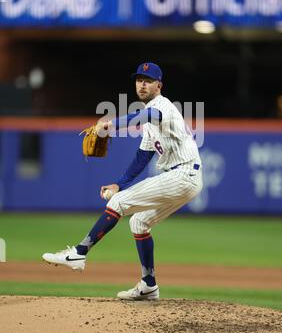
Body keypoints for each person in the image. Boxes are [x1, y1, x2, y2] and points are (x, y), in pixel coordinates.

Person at [43, 62, 203, 300]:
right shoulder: (150, 123)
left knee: (118, 203)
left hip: (183, 174)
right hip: (184, 177)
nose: (142, 84)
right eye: (139, 80)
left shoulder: (163, 106)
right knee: (139, 223)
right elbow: (142, 157)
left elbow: (146, 115)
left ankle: (79, 253)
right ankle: (149, 285)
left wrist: (111, 124)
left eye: (148, 80)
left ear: (159, 85)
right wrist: (119, 183)